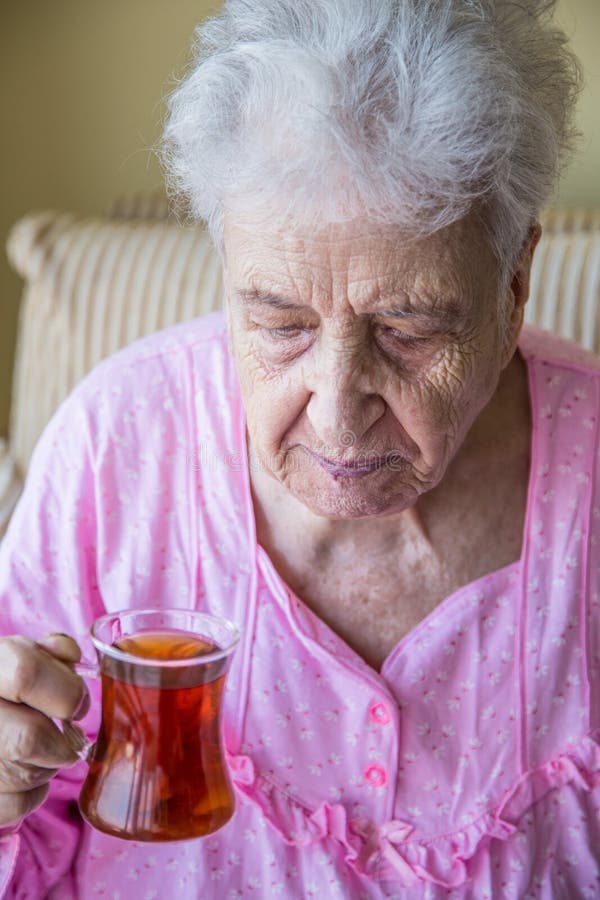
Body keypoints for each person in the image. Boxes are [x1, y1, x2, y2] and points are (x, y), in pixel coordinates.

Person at [0, 0, 595, 896]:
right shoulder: (112, 447)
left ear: (514, 287)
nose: (334, 416)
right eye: (279, 322)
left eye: (406, 328)